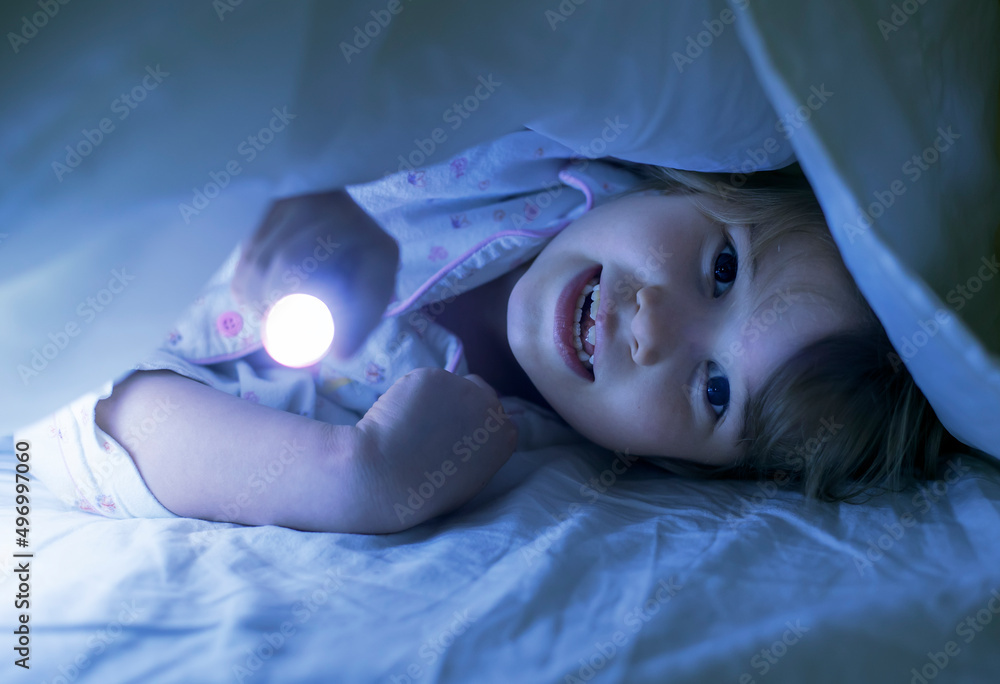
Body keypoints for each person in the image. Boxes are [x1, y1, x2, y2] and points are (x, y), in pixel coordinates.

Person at [16, 131, 951, 534]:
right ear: (697, 185)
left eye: (715, 391)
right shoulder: (527, 150)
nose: (653, 326)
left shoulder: (493, 456)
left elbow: (92, 425)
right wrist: (290, 179)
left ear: (685, 466)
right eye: (722, 269)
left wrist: (358, 480)